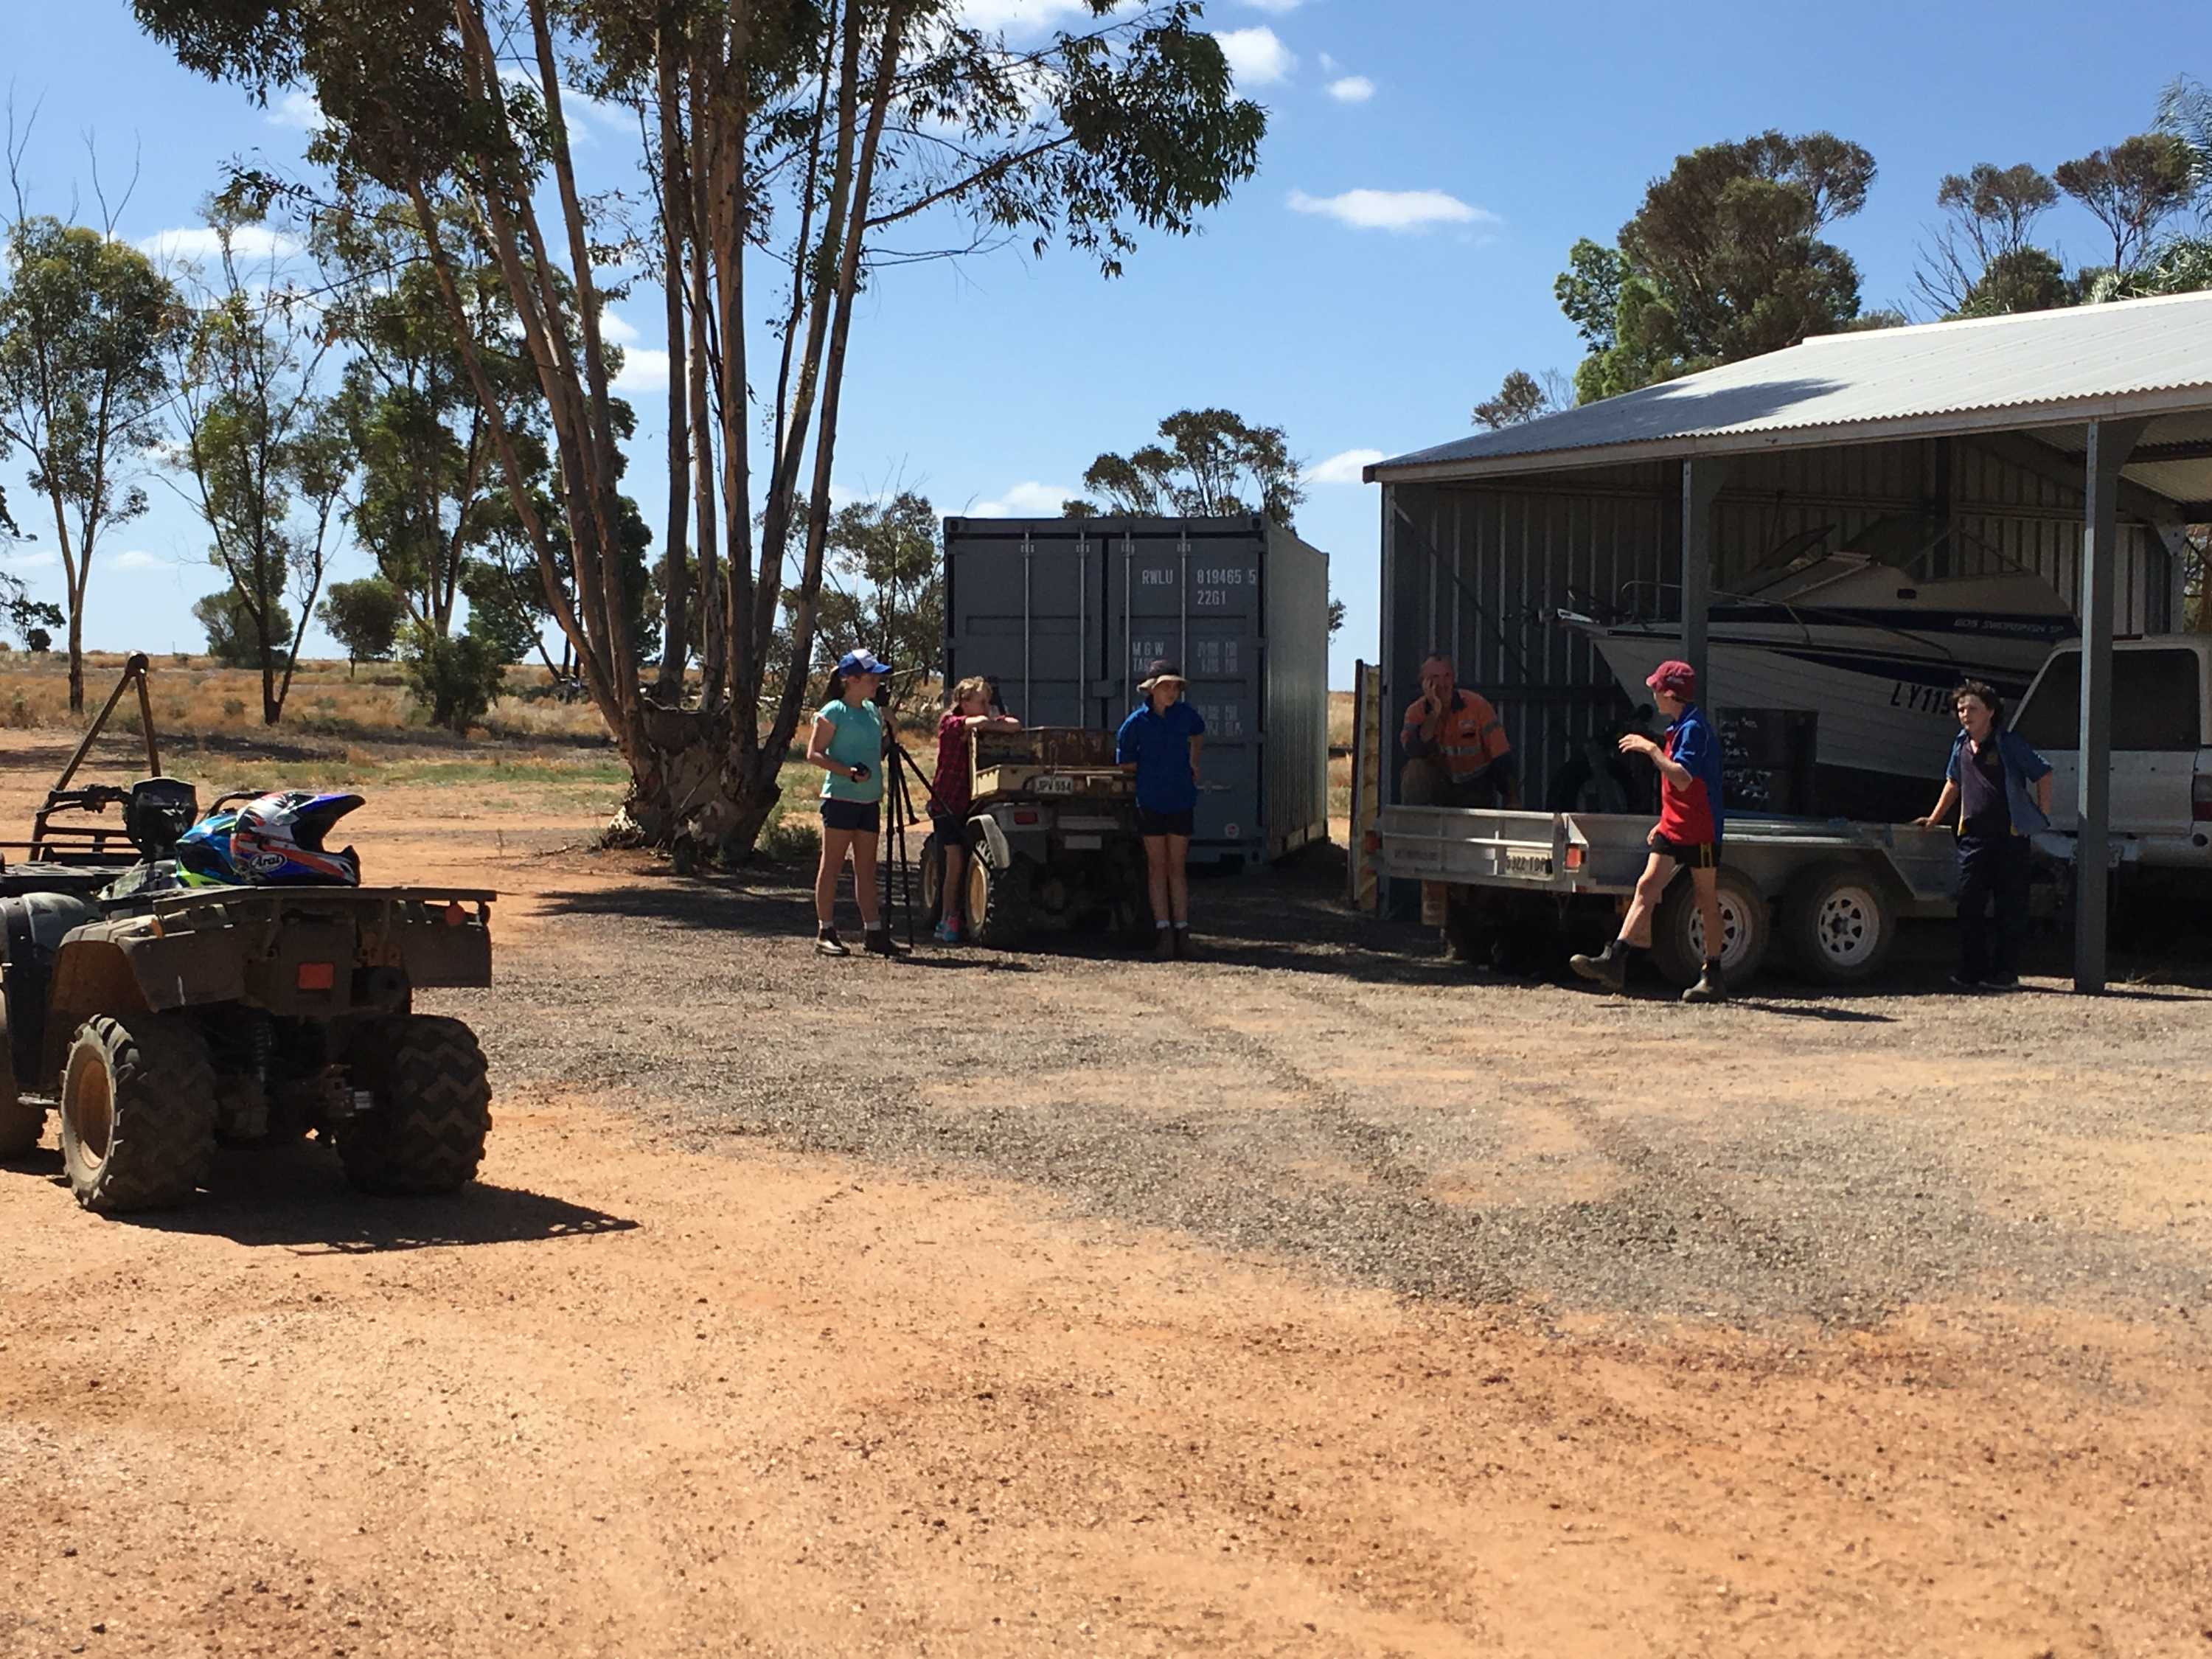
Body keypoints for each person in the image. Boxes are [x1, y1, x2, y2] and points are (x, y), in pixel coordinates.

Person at [1569, 660, 1729, 1003]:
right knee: (1647, 885)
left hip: (1701, 829)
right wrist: (1664, 819)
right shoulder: (1679, 727)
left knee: (1705, 898)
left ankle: (1713, 975)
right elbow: (1679, 789)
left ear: (1670, 694)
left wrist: (1650, 749)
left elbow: (1683, 779)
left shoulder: (1693, 729)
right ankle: (1616, 959)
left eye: (1657, 688)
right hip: (1674, 825)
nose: (1653, 694)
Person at [1913, 679, 2052, 990]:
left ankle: (2005, 973)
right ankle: (1971, 970)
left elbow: (2043, 772)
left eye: (1972, 709)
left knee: (2009, 907)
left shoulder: (2008, 743)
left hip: (2010, 837)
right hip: (1973, 838)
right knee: (1968, 904)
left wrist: (2041, 816)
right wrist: (1934, 818)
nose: (1965, 714)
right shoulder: (1961, 744)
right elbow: (1953, 782)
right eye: (1961, 709)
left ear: (1990, 712)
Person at [804, 649, 906, 959]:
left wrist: (891, 722)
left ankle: (873, 931)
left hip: (869, 800)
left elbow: (883, 747)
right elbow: (814, 754)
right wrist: (847, 771)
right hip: (840, 798)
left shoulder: (873, 712)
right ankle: (825, 931)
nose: (877, 683)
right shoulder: (834, 711)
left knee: (866, 868)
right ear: (851, 679)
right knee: (832, 866)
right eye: (871, 678)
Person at [1116, 660, 1206, 960]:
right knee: (1157, 867)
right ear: (1152, 689)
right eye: (1166, 686)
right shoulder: (1136, 722)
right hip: (1151, 801)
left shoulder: (1185, 715)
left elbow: (1198, 732)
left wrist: (1193, 761)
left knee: (1177, 867)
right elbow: (1125, 761)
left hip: (1181, 799)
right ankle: (1163, 932)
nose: (1172, 692)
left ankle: (1183, 932)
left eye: (1175, 687)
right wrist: (1151, 768)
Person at [928, 676, 1021, 944]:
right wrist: (989, 722)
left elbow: (1015, 725)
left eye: (988, 702)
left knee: (965, 859)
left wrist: (994, 721)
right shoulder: (950, 722)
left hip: (968, 802)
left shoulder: (980, 723)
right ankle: (948, 917)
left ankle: (958, 913)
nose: (986, 707)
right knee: (954, 861)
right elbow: (973, 723)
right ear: (964, 701)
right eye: (981, 701)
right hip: (947, 801)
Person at [1399, 653, 1518, 809]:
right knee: (1415, 770)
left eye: (1447, 676)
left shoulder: (1477, 705)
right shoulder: (1415, 712)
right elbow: (1413, 750)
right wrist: (1435, 712)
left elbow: (1501, 755)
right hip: (1440, 785)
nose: (1443, 683)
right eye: (1435, 677)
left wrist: (1513, 800)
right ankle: (1416, 820)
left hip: (1475, 788)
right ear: (1424, 682)